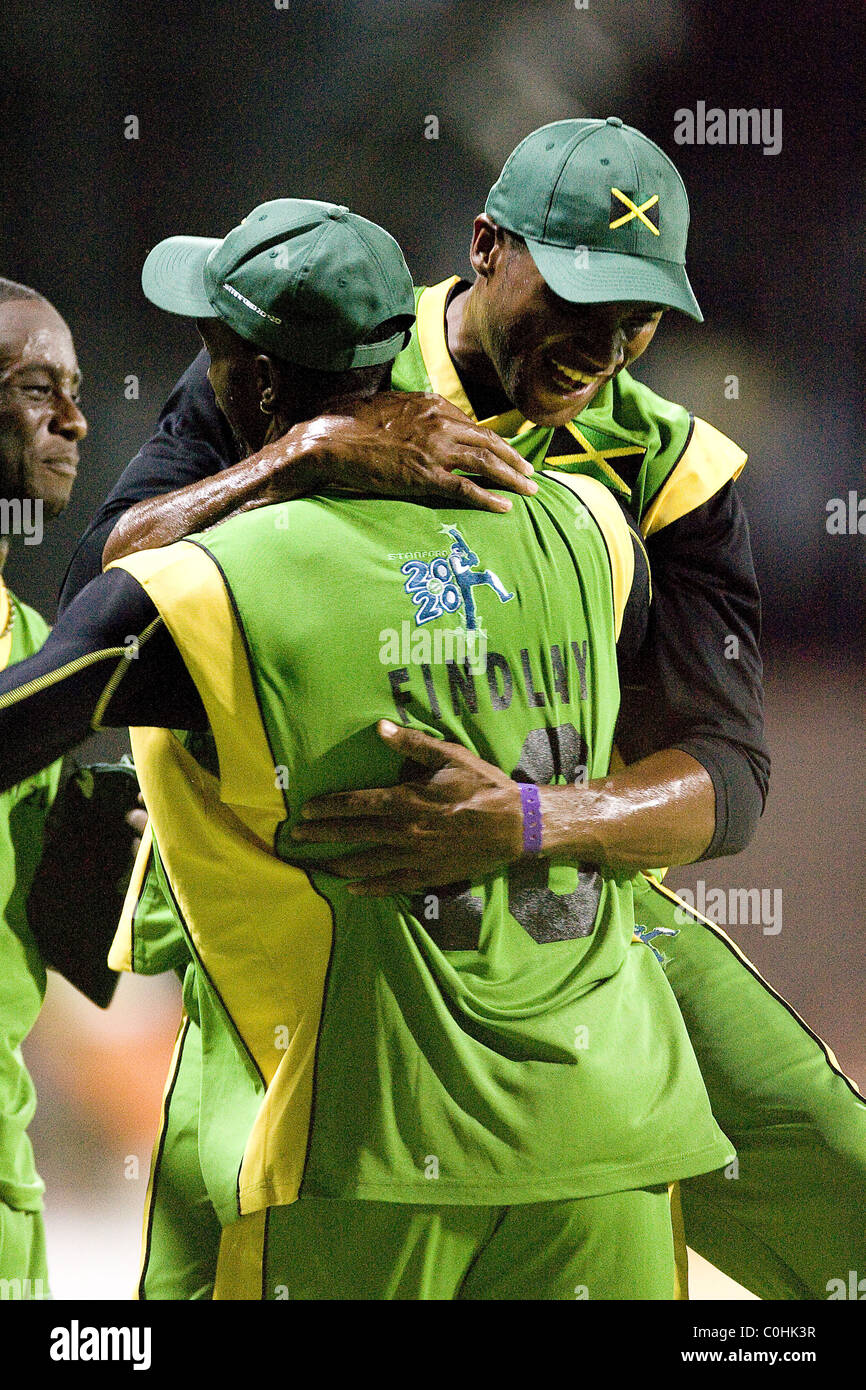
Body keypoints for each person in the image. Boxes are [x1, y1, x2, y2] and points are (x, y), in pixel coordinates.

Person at [60, 120, 866, 1301]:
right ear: (486, 246)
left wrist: (532, 821)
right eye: (577, 292)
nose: (605, 342)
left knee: (833, 1172)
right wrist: (301, 453)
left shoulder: (662, 467)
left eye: (639, 314)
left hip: (560, 897)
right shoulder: (329, 337)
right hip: (320, 889)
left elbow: (728, 785)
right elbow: (98, 600)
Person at [0, 278, 136, 1300]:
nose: (75, 419)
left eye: (78, 389)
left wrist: (115, 846)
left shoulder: (35, 648)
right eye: (37, 387)